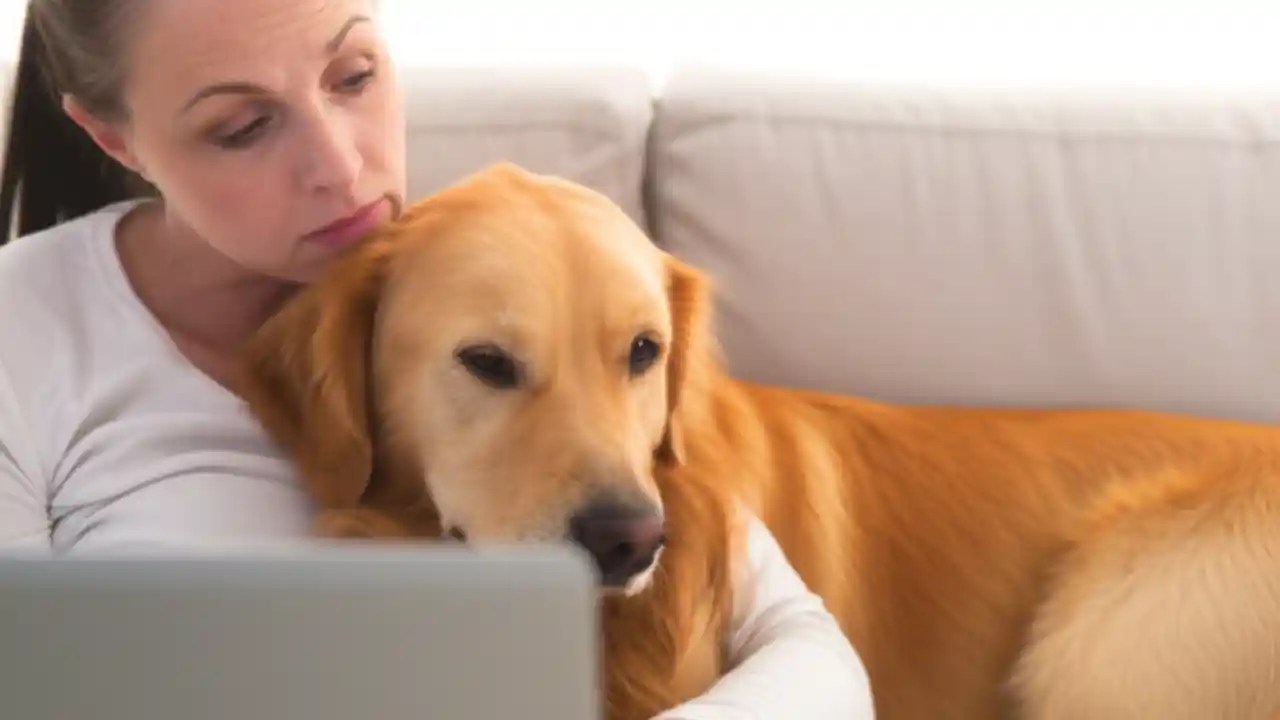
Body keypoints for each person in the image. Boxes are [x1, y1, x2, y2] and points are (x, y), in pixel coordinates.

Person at [0, 1, 875, 717]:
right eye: (243, 126)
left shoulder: (491, 260)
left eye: (354, 77)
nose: (341, 170)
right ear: (115, 140)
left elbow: (805, 647)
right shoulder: (23, 330)